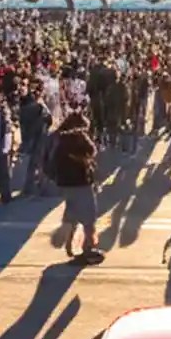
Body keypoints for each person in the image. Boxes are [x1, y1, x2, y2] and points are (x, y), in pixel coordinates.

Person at [53, 111, 102, 263]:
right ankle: (88, 249)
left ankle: (68, 246)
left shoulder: (60, 140)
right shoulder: (78, 138)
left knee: (72, 215)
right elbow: (92, 150)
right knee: (89, 216)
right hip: (81, 183)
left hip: (66, 184)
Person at [19, 86, 51, 196]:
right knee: (41, 162)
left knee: (30, 164)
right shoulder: (40, 106)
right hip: (40, 136)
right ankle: (42, 187)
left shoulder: (22, 110)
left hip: (28, 138)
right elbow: (49, 119)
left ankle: (28, 188)